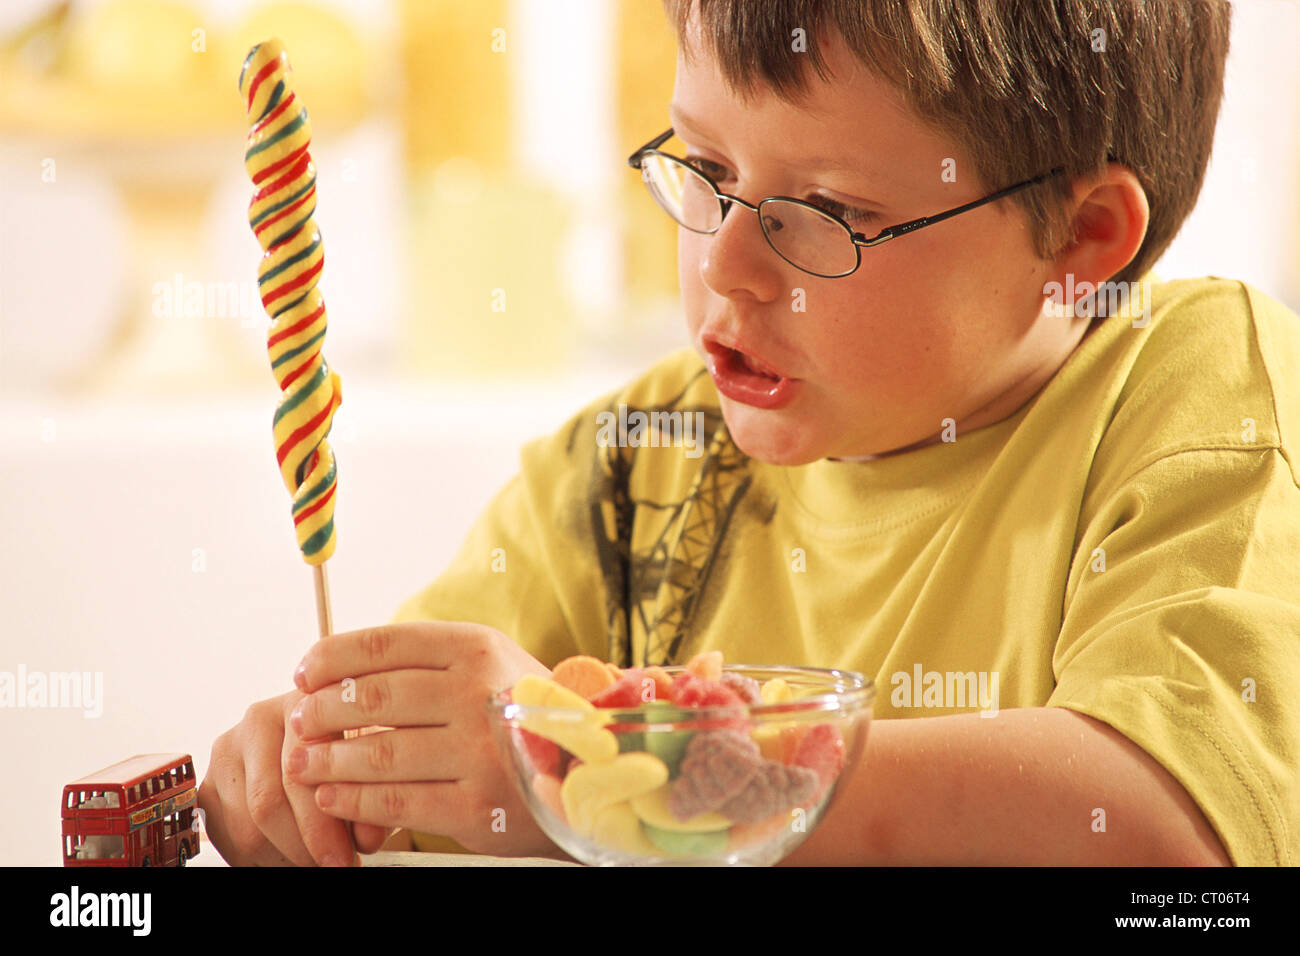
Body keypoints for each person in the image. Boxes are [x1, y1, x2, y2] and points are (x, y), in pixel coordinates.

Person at [198, 0, 1299, 866]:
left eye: (822, 210)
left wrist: (602, 772)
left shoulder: (1196, 382)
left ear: (1080, 238)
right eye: (710, 172)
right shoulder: (635, 460)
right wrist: (308, 784)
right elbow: (438, 762)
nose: (725, 261)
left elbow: (1168, 823)